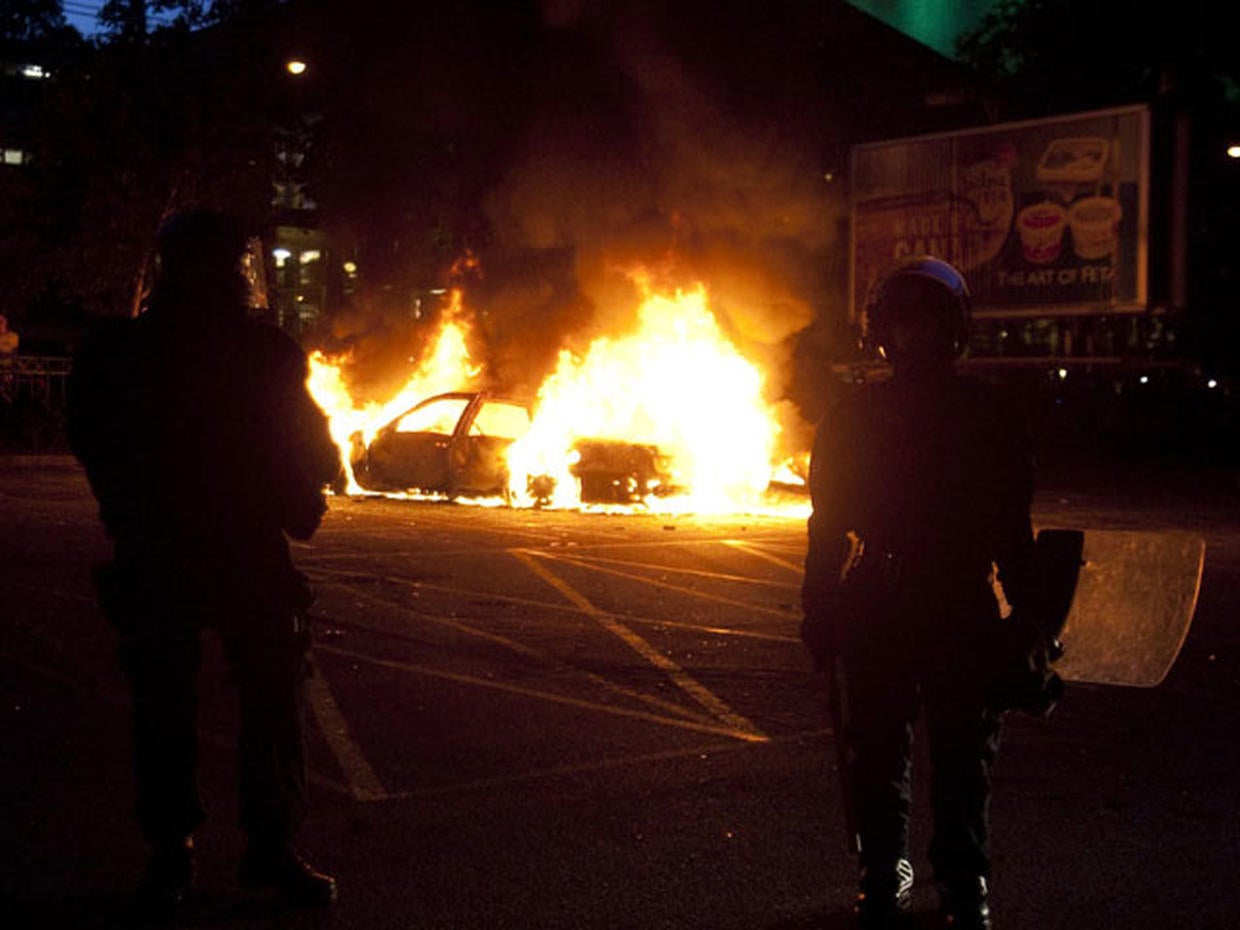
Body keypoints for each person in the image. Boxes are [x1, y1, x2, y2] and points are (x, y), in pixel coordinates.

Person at [67, 209, 344, 913]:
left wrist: (123, 514)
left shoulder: (130, 348)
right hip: (223, 546)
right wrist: (307, 489)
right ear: (224, 268)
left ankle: (184, 852)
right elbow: (303, 437)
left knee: (192, 700)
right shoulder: (247, 350)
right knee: (257, 696)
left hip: (185, 547)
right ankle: (252, 847)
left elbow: (300, 434)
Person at [801, 257, 1036, 929]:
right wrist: (818, 606)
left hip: (924, 600)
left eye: (921, 323)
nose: (911, 337)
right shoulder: (982, 412)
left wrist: (1027, 617)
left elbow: (1011, 528)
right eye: (903, 324)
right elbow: (831, 524)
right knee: (899, 755)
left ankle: (943, 885)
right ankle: (914, 882)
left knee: (944, 759)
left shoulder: (869, 414)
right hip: (914, 600)